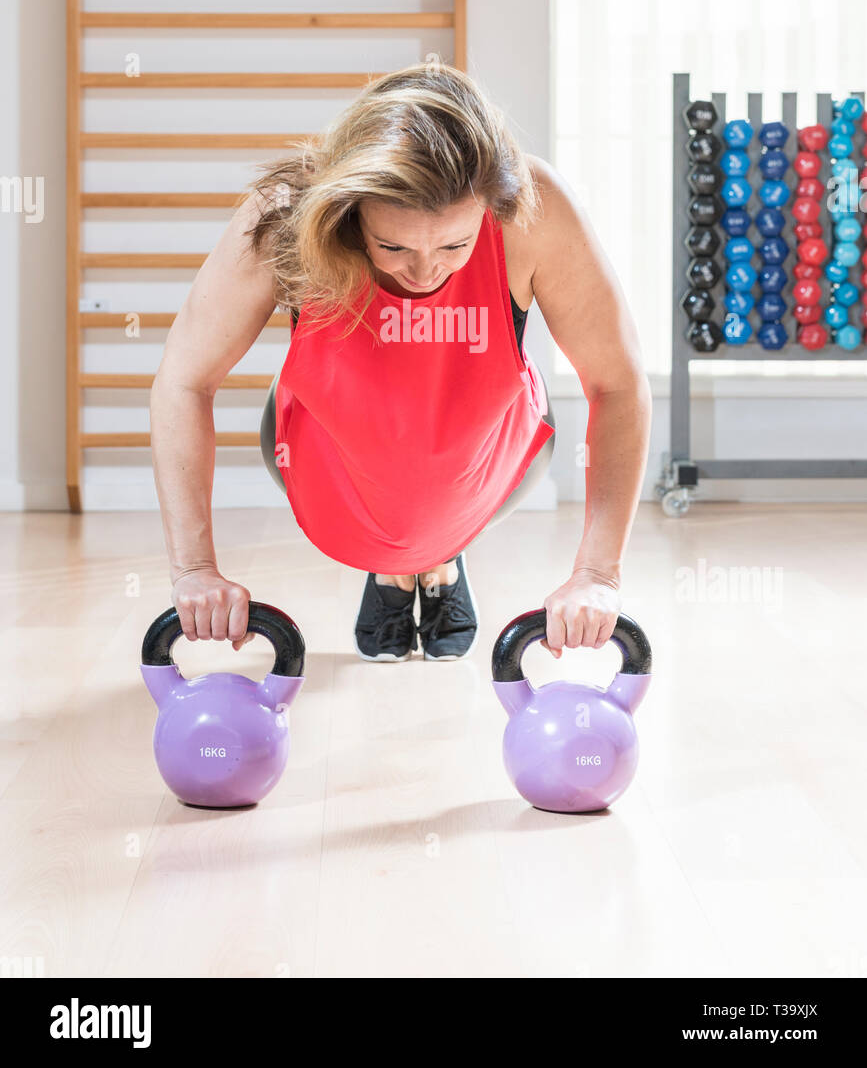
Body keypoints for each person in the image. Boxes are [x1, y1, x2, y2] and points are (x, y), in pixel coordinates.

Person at [150, 63, 651, 664]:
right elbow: (183, 380)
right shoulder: (285, 212)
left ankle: (430, 560)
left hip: (487, 453)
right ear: (348, 209)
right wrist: (194, 570)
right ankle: (408, 563)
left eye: (454, 246)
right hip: (330, 461)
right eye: (392, 247)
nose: (424, 272)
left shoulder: (534, 206)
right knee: (394, 494)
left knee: (431, 502)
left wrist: (598, 573)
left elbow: (617, 384)